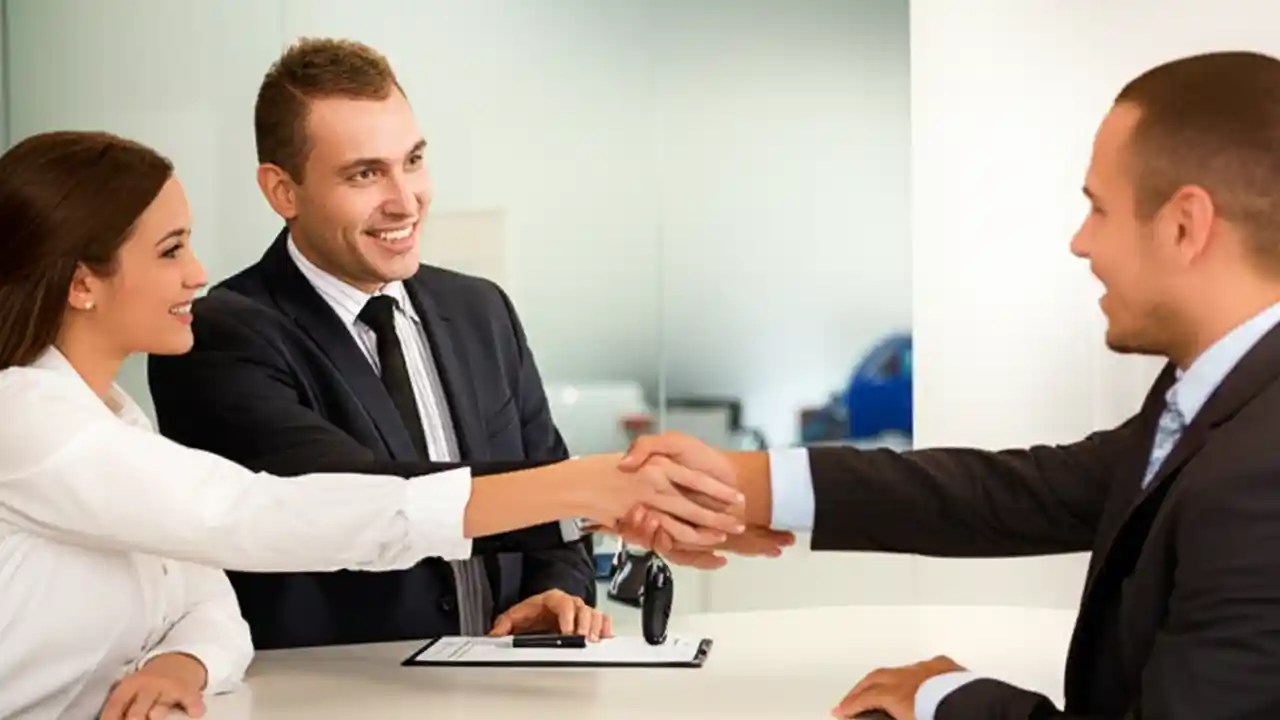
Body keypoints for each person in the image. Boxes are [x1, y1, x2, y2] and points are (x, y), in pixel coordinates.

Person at [624, 51, 1280, 719]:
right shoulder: (1218, 404)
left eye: (1099, 210)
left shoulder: (1260, 472)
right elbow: (1014, 494)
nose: (1081, 243)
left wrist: (949, 698)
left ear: (1184, 227)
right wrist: (740, 484)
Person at [0, 131, 741, 720]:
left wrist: (179, 663)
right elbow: (266, 517)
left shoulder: (117, 426)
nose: (197, 272)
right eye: (170, 251)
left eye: (412, 160)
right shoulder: (24, 420)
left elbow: (210, 606)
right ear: (82, 283)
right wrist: (584, 486)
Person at [145, 37, 616, 650]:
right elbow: (367, 500)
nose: (406, 199)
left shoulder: (481, 311)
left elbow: (545, 482)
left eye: (413, 161)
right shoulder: (218, 337)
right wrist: (593, 490)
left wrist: (556, 593)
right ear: (282, 191)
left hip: (507, 689)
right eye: (365, 173)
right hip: (337, 700)